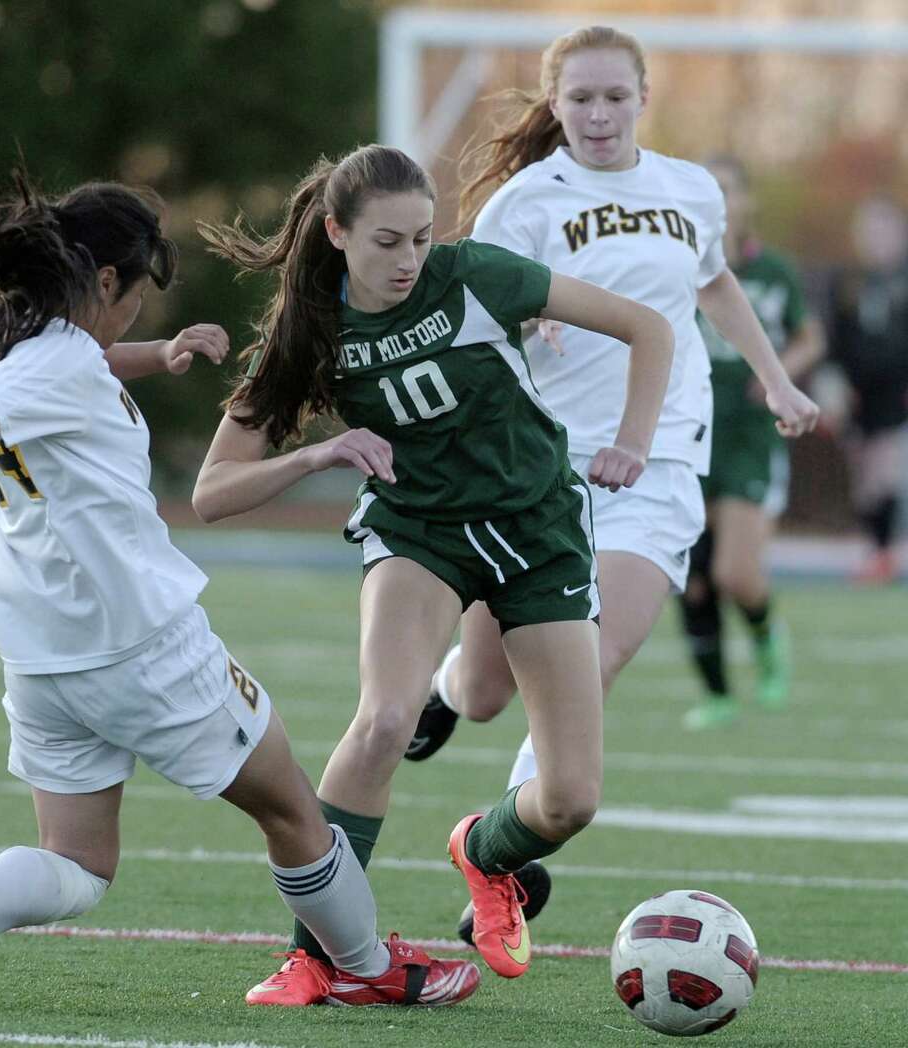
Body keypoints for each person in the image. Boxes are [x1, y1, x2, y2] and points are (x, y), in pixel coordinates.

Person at [0, 169, 479, 1010]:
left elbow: (79, 363)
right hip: (140, 644)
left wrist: (162, 355)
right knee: (293, 811)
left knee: (78, 863)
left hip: (40, 656)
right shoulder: (47, 363)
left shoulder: (10, 329)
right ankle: (363, 965)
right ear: (106, 280)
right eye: (136, 294)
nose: (136, 309)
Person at [194, 142, 675, 1002]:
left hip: (539, 530)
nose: (410, 259)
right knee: (383, 721)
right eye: (387, 241)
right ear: (337, 232)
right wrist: (317, 457)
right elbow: (212, 492)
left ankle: (484, 853)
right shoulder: (311, 330)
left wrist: (634, 440)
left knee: (569, 801)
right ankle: (320, 954)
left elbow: (650, 325)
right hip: (420, 534)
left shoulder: (478, 275)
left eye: (421, 237)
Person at [402, 25, 819, 933]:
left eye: (614, 97)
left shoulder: (690, 189)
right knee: (486, 694)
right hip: (539, 465)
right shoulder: (525, 203)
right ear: (555, 104)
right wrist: (527, 325)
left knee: (595, 662)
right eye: (579, 98)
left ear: (642, 98)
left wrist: (774, 376)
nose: (597, 114)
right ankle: (439, 692)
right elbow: (468, 321)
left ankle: (502, 854)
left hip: (661, 459)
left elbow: (715, 287)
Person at [679, 155, 824, 730]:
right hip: (686, 430)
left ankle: (768, 641)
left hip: (746, 434)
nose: (718, 199)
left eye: (728, 189)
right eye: (708, 188)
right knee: (690, 580)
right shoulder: (676, 263)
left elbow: (811, 337)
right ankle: (717, 695)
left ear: (746, 202)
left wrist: (777, 377)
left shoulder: (773, 272)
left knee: (735, 572)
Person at [827, 194, 908, 585]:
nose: (876, 239)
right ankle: (878, 549)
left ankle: (884, 553)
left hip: (899, 395)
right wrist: (835, 386)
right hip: (859, 398)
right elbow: (836, 340)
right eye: (869, 231)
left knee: (887, 472)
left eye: (883, 230)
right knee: (865, 483)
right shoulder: (850, 282)